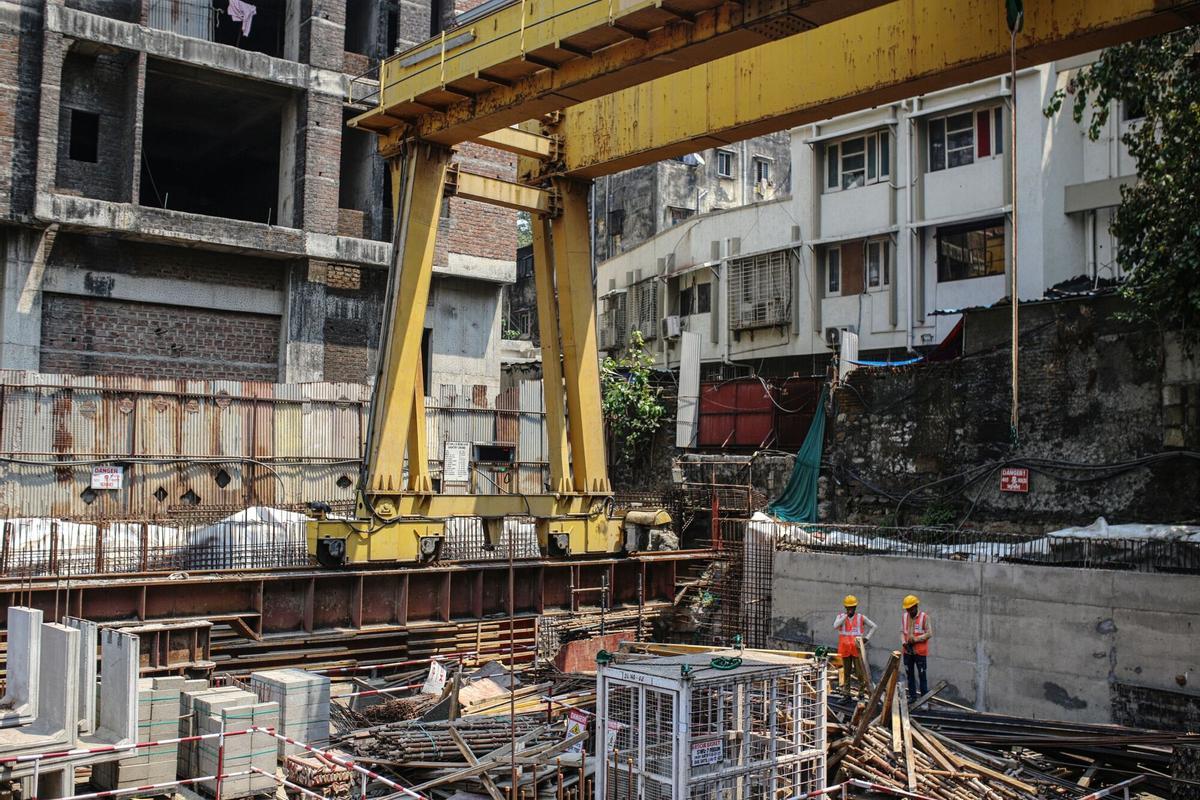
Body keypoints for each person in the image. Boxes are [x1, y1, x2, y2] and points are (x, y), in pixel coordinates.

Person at [833, 594, 877, 694]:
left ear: (855, 607)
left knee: (859, 673)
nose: (850, 609)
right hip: (845, 649)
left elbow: (874, 626)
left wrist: (867, 638)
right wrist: (845, 617)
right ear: (846, 607)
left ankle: (861, 693)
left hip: (856, 649)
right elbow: (835, 626)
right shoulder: (841, 617)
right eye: (848, 608)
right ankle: (846, 693)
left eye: (852, 607)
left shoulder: (860, 618)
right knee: (846, 673)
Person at [900, 594, 933, 701]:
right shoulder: (905, 617)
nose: (909, 611)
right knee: (909, 675)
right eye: (907, 609)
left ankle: (924, 700)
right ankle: (913, 697)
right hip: (907, 651)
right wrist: (904, 642)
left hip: (920, 652)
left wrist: (915, 639)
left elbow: (929, 633)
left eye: (911, 609)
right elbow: (901, 631)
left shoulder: (924, 617)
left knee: (922, 675)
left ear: (916, 606)